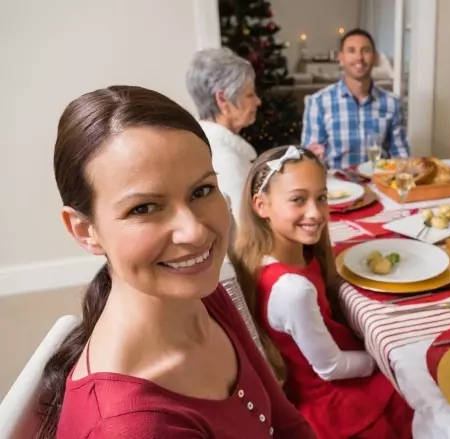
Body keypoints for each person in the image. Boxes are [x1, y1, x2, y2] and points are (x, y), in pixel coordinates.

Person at [37, 86, 315, 439]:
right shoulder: (131, 427)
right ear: (84, 230)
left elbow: (288, 423)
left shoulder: (202, 296)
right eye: (143, 208)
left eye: (201, 191)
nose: (195, 233)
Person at [230, 145, 414, 438]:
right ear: (260, 205)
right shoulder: (292, 289)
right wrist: (381, 360)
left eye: (322, 197)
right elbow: (330, 367)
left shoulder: (287, 255)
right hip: (333, 403)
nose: (315, 213)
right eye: (298, 200)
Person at [301, 28, 410, 169]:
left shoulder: (392, 104)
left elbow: (400, 155)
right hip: (336, 186)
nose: (359, 57)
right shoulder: (318, 102)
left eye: (365, 50)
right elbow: (310, 159)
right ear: (341, 58)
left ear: (375, 58)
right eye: (351, 51)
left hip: (378, 184)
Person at [186, 47, 262, 217]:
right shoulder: (227, 161)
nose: (258, 101)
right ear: (222, 99)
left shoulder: (199, 142)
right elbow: (245, 235)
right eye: (249, 94)